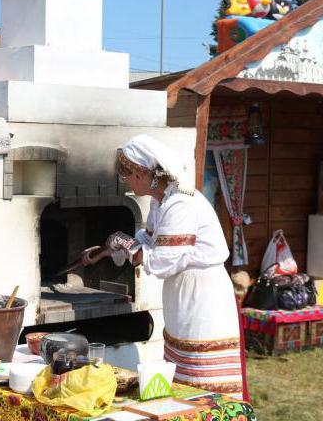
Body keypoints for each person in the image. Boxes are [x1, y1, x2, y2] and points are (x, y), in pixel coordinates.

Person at [105, 135, 246, 400]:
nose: (125, 182)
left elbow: (161, 261)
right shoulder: (161, 201)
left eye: (127, 175)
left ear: (141, 172)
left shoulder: (180, 202)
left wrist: (123, 241)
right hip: (183, 293)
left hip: (202, 296)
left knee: (203, 379)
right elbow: (148, 240)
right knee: (183, 376)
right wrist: (108, 248)